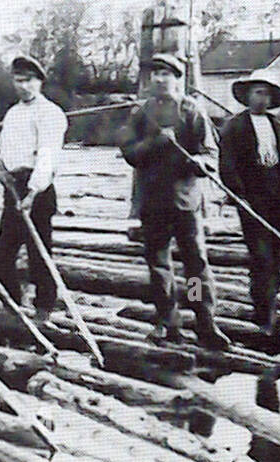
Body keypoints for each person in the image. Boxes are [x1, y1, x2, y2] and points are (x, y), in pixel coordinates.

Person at [114, 53, 230, 349]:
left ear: (178, 79)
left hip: (185, 203)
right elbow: (128, 152)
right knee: (159, 265)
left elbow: (209, 152)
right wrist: (156, 142)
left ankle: (204, 322)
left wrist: (202, 164)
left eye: (166, 74)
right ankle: (168, 322)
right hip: (152, 202)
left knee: (195, 264)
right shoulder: (141, 112)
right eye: (155, 74)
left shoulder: (192, 111)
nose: (159, 79)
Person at [0, 55, 68, 327]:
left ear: (40, 82)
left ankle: (44, 310)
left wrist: (32, 194)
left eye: (28, 81)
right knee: (1, 257)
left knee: (39, 255)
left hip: (38, 189)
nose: (23, 86)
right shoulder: (13, 113)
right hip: (12, 188)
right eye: (18, 80)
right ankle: (12, 306)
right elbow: (1, 149)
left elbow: (47, 156)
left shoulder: (50, 113)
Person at [218, 68, 280, 337]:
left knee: (276, 255)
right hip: (252, 197)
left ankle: (271, 305)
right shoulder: (234, 126)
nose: (262, 99)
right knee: (260, 257)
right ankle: (262, 313)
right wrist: (238, 195)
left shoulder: (278, 127)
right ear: (248, 96)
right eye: (258, 92)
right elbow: (227, 165)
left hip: (279, 198)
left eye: (267, 94)